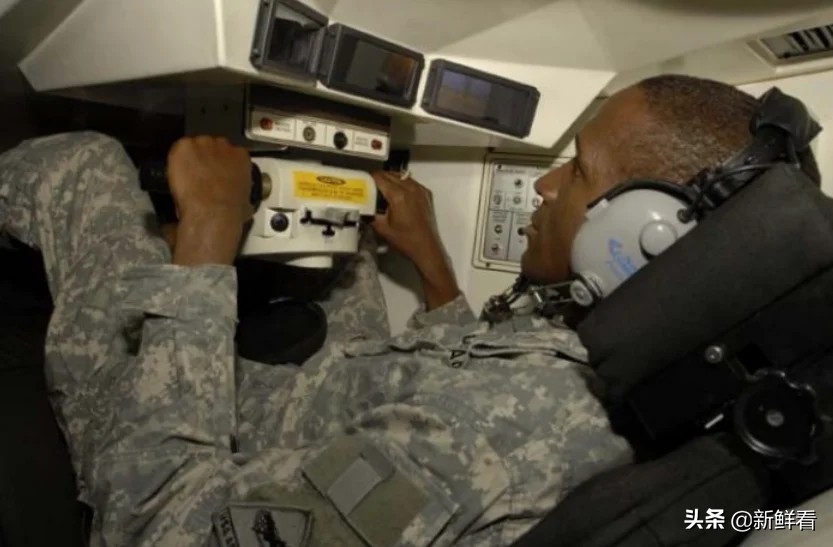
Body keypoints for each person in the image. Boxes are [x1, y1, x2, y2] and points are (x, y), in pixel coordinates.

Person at [0, 74, 806, 547]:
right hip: (346, 409)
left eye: (580, 170)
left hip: (185, 447)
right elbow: (486, 380)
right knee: (342, 220)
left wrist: (202, 251)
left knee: (87, 163)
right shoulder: (643, 363)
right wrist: (433, 271)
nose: (548, 186)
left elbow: (166, 526)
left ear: (647, 235)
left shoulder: (485, 443)